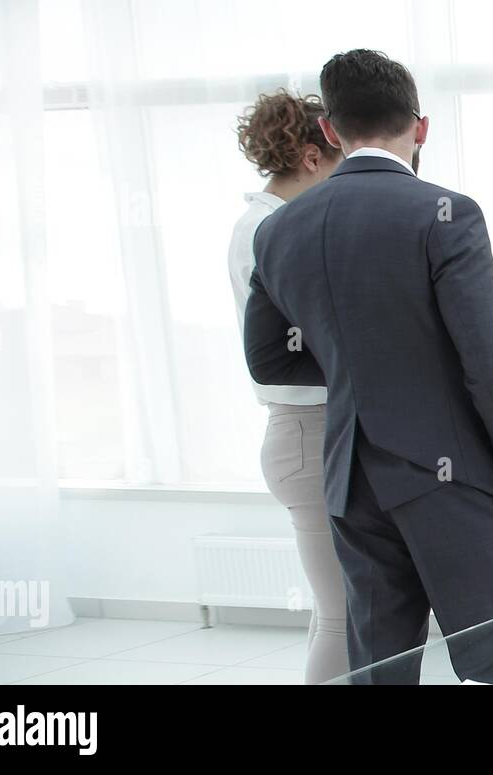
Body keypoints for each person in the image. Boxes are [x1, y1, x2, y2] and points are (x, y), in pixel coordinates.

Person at [243, 50, 493, 685]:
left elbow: (269, 357)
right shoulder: (447, 213)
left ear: (330, 130)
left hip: (350, 478)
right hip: (450, 474)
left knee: (381, 665)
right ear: (421, 127)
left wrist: (360, 371)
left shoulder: (278, 231)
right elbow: (488, 359)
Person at [228, 90, 346, 684]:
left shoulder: (263, 224)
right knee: (342, 615)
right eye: (336, 159)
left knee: (334, 611)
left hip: (308, 432)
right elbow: (293, 349)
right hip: (307, 433)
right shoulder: (271, 230)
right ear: (309, 157)